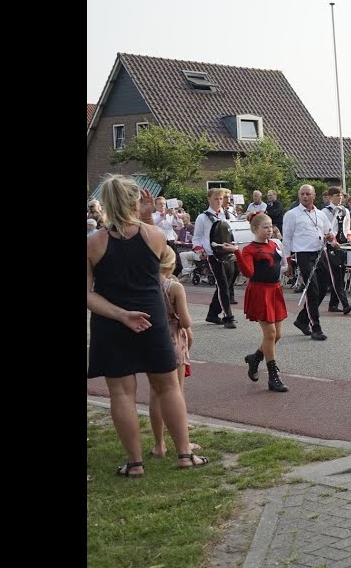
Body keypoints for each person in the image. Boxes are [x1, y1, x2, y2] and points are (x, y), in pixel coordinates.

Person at [87, 174, 206, 476]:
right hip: (152, 319)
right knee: (167, 388)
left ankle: (135, 463)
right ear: (136, 200)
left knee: (122, 393)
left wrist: (121, 315)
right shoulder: (155, 235)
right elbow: (141, 234)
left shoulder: (93, 243)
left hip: (112, 322)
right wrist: (147, 212)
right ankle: (184, 454)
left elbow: (88, 294)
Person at [147, 245, 198, 458]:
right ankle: (182, 440)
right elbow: (185, 320)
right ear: (172, 263)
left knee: (155, 392)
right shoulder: (174, 287)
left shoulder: (144, 284)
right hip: (173, 338)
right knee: (175, 390)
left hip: (150, 337)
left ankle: (159, 444)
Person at [237, 212, 290, 391]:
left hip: (275, 290)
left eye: (270, 226)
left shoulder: (275, 244)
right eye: (265, 227)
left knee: (277, 335)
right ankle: (273, 376)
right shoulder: (250, 249)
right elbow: (248, 272)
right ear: (255, 229)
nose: (269, 230)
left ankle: (255, 358)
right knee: (270, 334)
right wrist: (237, 252)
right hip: (260, 291)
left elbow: (282, 265)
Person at [281, 184, 333, 341]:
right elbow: (287, 238)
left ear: (314, 196)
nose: (305, 196)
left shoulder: (321, 214)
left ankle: (302, 319)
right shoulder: (292, 214)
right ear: (299, 196)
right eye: (302, 194)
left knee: (323, 288)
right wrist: (288, 261)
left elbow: (329, 232)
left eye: (308, 194)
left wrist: (330, 238)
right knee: (312, 290)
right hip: (303, 254)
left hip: (320, 253)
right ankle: (315, 327)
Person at [193, 187, 238, 329]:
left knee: (225, 285)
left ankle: (212, 314)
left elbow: (235, 230)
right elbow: (197, 238)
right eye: (215, 199)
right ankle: (228, 317)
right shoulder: (203, 217)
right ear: (209, 199)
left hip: (228, 255)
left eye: (221, 199)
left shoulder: (228, 214)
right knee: (223, 285)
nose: (219, 201)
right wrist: (201, 250)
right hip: (213, 255)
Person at [322, 186, 351, 315]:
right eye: (337, 195)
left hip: (341, 245)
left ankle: (333, 304)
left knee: (341, 274)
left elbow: (347, 229)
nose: (340, 198)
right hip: (330, 246)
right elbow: (325, 230)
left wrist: (350, 239)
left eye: (341, 195)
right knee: (336, 275)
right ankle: (345, 304)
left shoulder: (345, 211)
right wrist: (332, 241)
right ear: (330, 197)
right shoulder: (325, 212)